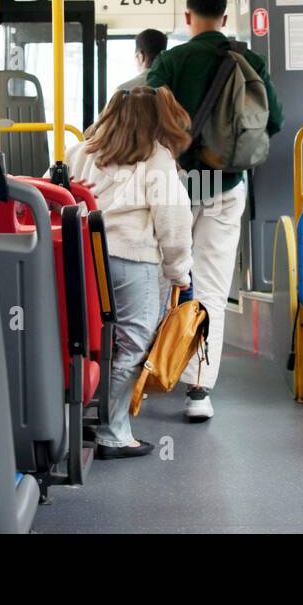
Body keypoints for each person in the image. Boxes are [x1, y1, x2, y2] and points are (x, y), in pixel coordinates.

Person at [146, 0, 283, 421]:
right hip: (225, 184)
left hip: (178, 184)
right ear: (225, 18)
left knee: (166, 278)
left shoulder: (169, 61)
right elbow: (273, 120)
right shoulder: (249, 60)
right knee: (210, 285)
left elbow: (146, 121)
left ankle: (150, 372)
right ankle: (198, 392)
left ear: (188, 17)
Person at [65, 86, 194, 459]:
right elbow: (173, 222)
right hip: (132, 261)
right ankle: (112, 432)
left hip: (81, 258)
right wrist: (179, 272)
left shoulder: (78, 152)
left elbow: (51, 195)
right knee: (133, 344)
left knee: (86, 340)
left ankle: (81, 420)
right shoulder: (156, 158)